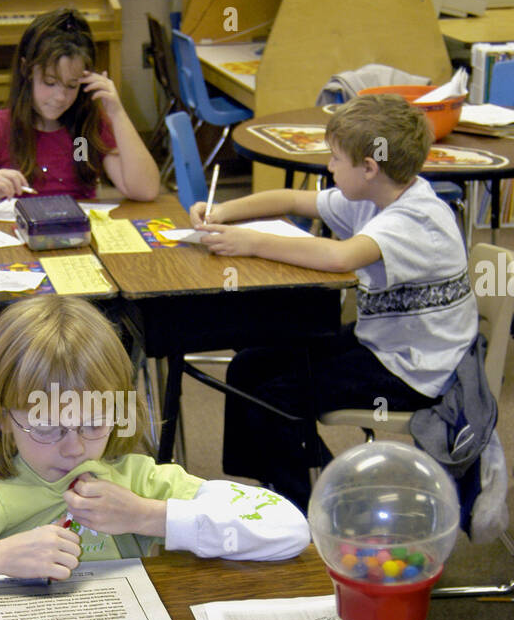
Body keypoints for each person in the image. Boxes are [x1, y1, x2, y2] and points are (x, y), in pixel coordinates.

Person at [0, 294, 309, 595]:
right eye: (48, 428)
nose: (74, 447)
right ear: (4, 418)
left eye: (94, 423)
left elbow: (289, 528)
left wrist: (147, 516)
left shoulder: (136, 480)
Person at [188, 95, 479, 510]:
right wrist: (222, 212)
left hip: (417, 369)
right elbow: (291, 200)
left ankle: (301, 511)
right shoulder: (377, 195)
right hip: (385, 343)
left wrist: (249, 242)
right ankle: (275, 481)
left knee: (277, 396)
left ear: (369, 167)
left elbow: (340, 257)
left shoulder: (415, 218)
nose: (328, 167)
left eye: (335, 159)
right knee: (249, 366)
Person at [0, 8, 160, 206]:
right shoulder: (1, 129)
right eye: (50, 82)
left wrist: (117, 113)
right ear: (27, 70)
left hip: (76, 241)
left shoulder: (85, 129)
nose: (60, 97)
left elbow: (145, 190)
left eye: (72, 85)